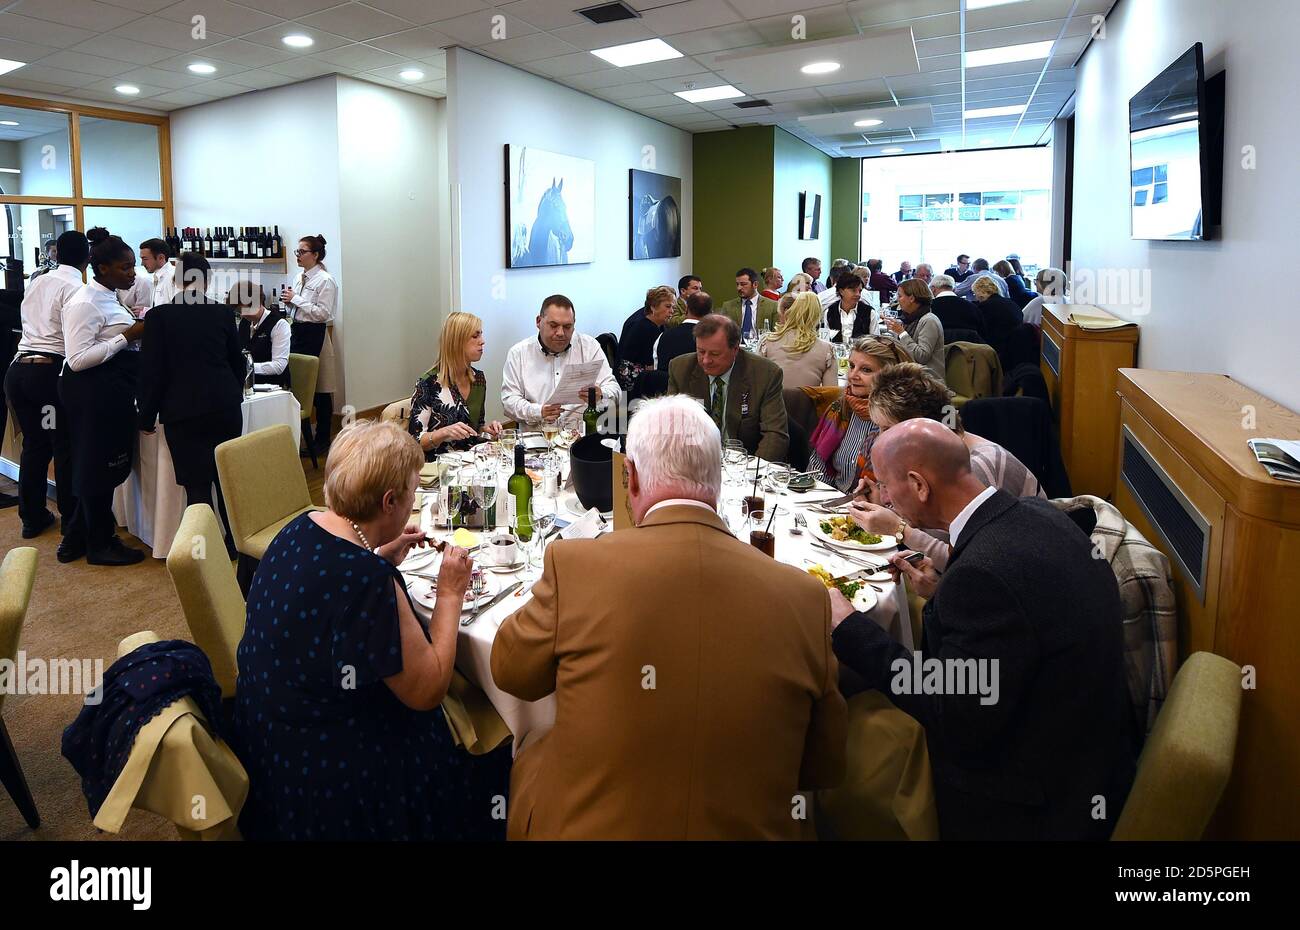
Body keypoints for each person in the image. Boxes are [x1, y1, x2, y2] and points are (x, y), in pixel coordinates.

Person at [490, 395, 846, 839]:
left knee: (533, 749)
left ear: (631, 477)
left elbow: (509, 672)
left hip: (589, 828)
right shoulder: (806, 597)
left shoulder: (575, 565)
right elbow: (824, 762)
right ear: (717, 479)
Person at [827, 419, 1136, 839]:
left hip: (1029, 799)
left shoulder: (982, 574)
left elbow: (952, 713)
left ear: (918, 484)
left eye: (883, 484)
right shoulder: (1036, 513)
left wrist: (848, 628)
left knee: (840, 733)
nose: (881, 497)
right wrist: (939, 596)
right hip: (1088, 745)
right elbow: (1014, 635)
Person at [233, 420, 510, 840]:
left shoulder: (299, 529)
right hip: (333, 781)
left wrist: (379, 555)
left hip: (268, 741)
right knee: (489, 762)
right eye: (413, 492)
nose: (413, 500)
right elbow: (428, 688)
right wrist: (451, 593)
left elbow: (329, 605)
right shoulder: (365, 581)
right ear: (389, 501)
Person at [851, 362, 1044, 571]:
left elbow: (962, 561)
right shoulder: (940, 456)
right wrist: (887, 501)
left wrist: (898, 528)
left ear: (921, 427)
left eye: (887, 429)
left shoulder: (975, 468)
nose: (881, 438)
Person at [137, 253, 245, 560]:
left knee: (197, 486)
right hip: (224, 405)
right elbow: (236, 361)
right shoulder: (222, 313)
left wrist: (146, 415)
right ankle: (238, 543)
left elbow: (152, 372)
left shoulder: (159, 317)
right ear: (207, 280)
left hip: (182, 410)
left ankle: (207, 552)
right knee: (226, 476)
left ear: (176, 280)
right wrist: (232, 392)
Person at [57, 228, 146, 566]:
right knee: (97, 464)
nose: (132, 273)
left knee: (103, 463)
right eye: (126, 267)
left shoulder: (110, 296)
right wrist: (129, 335)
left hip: (110, 389)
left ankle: (80, 534)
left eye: (133, 266)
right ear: (103, 268)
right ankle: (99, 543)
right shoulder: (84, 302)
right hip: (90, 391)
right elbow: (77, 359)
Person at [4, 230, 86, 540]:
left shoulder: (38, 281)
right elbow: (76, 335)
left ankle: (32, 516)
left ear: (55, 254)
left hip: (18, 373)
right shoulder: (76, 287)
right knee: (61, 443)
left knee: (34, 445)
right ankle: (70, 519)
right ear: (87, 257)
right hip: (46, 377)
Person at [667, 314, 788, 461]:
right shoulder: (680, 369)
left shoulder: (765, 374)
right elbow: (671, 428)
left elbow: (775, 434)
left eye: (715, 354)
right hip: (695, 463)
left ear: (735, 349)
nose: (705, 361)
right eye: (701, 351)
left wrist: (753, 475)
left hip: (745, 465)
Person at [806, 336, 913, 494]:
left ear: (892, 377)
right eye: (851, 366)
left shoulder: (904, 424)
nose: (852, 375)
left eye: (866, 370)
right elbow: (817, 472)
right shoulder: (839, 410)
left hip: (881, 512)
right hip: (833, 508)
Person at [501, 294, 619, 430]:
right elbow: (509, 402)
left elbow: (615, 390)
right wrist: (538, 412)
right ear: (539, 322)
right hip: (538, 439)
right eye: (554, 325)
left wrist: (601, 395)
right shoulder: (519, 353)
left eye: (567, 327)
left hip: (579, 436)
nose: (561, 333)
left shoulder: (588, 346)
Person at [408, 311, 502, 461]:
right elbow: (414, 442)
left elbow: (475, 428)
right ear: (457, 341)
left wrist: (487, 430)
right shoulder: (428, 383)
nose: (482, 341)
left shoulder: (478, 379)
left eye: (481, 335)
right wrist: (444, 433)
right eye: (475, 336)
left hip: (472, 463)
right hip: (439, 469)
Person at [281, 234, 337, 456]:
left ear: (315, 255)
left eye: (302, 252)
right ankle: (303, 438)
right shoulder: (298, 277)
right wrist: (289, 303)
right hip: (298, 331)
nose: (298, 256)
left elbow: (324, 313)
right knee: (300, 386)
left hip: (316, 334)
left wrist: (296, 299)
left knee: (321, 390)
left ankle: (323, 439)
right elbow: (297, 308)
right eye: (297, 252)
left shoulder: (325, 280)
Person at [757, 291, 836, 389]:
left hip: (774, 403)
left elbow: (756, 386)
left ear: (787, 313)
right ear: (816, 317)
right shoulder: (827, 350)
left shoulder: (766, 342)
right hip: (808, 403)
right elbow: (832, 395)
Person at [884, 278, 946, 383]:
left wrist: (901, 332)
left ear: (912, 298)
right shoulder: (909, 319)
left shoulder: (929, 320)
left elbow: (921, 357)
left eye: (900, 296)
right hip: (910, 375)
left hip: (927, 381)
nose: (897, 300)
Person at [616, 285, 674, 398]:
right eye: (667, 307)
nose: (671, 311)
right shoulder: (644, 327)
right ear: (653, 307)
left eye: (672, 307)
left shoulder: (654, 322)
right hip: (629, 380)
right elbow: (651, 364)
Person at [231, 281, 290, 388]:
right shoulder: (245, 323)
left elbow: (278, 366)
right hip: (248, 383)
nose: (243, 314)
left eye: (245, 309)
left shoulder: (279, 325)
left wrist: (248, 367)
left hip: (273, 386)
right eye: (239, 311)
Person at [971, 275, 1024, 369]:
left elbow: (981, 334)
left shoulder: (984, 308)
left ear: (980, 292)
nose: (975, 297)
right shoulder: (1012, 304)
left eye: (975, 294)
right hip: (1018, 351)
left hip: (996, 354)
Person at [118, 237, 176, 315]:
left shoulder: (174, 277)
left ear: (161, 258)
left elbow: (177, 312)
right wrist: (147, 311)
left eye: (145, 259)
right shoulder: (156, 277)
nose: (142, 263)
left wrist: (147, 312)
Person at [655, 290, 709, 372]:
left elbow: (656, 366)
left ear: (686, 309)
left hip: (666, 383)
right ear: (710, 313)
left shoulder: (663, 336)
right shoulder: (711, 338)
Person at [719, 267, 778, 339]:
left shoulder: (772, 306)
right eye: (737, 284)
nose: (739, 288)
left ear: (755, 284)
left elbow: (776, 334)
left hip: (762, 347)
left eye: (743, 284)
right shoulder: (728, 306)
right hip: (737, 348)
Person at [826, 268, 877, 344]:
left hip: (862, 353)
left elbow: (875, 340)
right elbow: (826, 340)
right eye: (853, 290)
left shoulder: (869, 312)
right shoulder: (830, 311)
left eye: (860, 291)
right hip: (836, 352)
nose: (858, 294)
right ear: (841, 291)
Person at [929, 274, 985, 339]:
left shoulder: (928, 308)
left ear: (932, 289)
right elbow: (982, 334)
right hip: (968, 347)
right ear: (954, 289)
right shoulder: (973, 307)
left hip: (938, 347)